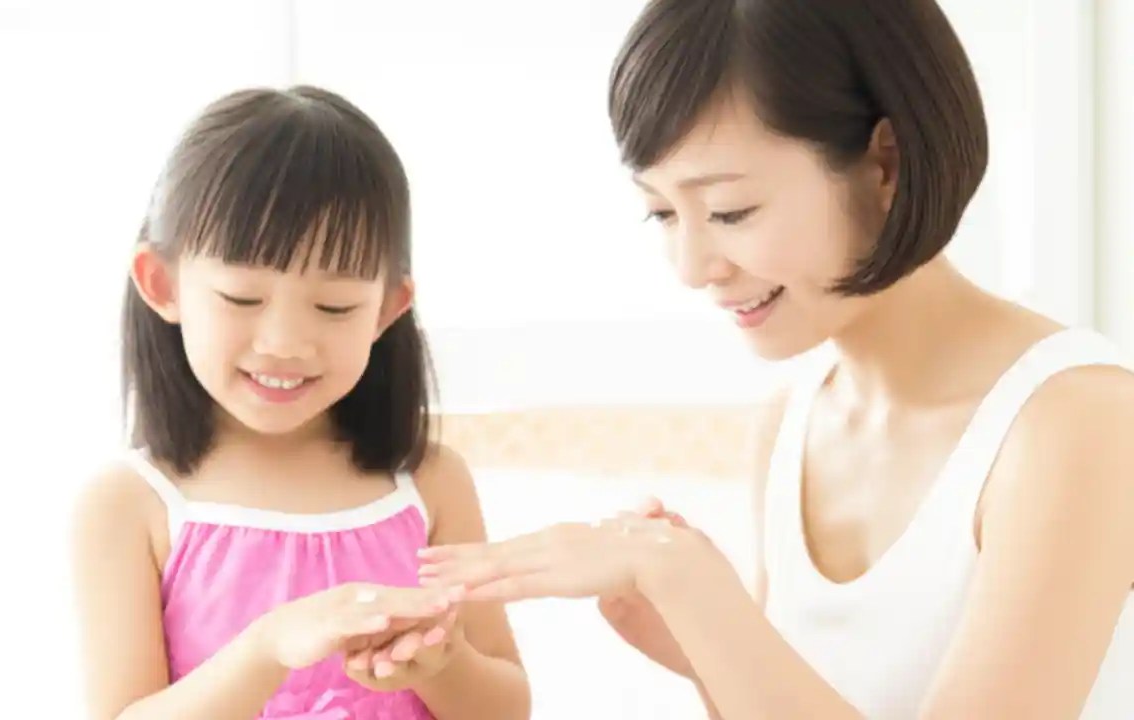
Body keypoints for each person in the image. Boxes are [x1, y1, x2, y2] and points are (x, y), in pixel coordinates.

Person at [416, 1, 1134, 718]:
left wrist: (698, 595)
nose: (693, 267)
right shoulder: (791, 422)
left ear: (887, 164)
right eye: (663, 214)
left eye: (729, 212)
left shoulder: (1078, 421)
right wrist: (701, 650)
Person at [70, 86, 530, 720]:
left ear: (386, 310)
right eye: (241, 298)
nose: (285, 342)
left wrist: (444, 663)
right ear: (163, 285)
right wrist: (265, 651)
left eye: (334, 307)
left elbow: (506, 710)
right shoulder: (130, 503)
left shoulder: (430, 483)